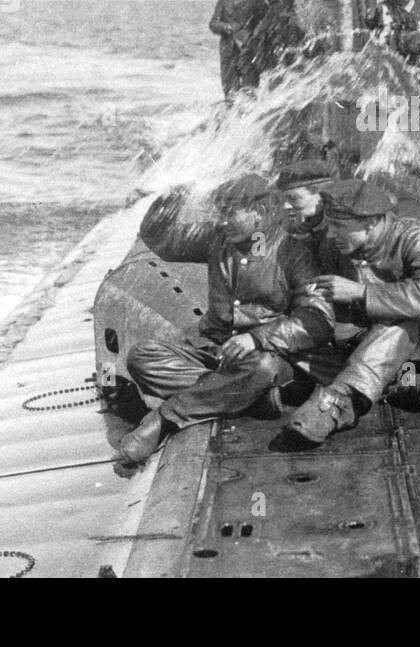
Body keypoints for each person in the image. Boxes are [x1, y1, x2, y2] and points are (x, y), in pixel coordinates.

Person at [117, 174, 335, 463]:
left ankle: (167, 419)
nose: (221, 221)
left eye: (229, 213)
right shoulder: (217, 239)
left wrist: (257, 337)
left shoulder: (293, 251)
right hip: (216, 353)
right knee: (141, 357)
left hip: (270, 357)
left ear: (258, 213)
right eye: (219, 213)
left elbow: (317, 320)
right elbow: (162, 241)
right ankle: (250, 398)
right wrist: (171, 193)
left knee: (262, 367)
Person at [283, 180, 420, 446]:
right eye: (331, 224)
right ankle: (402, 383)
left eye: (339, 226)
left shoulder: (413, 237)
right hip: (376, 350)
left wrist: (361, 293)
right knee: (296, 337)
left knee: (398, 323)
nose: (331, 233)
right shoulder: (335, 244)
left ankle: (336, 403)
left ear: (370, 222)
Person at [208, 0, 266, 98]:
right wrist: (224, 27)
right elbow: (213, 23)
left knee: (250, 92)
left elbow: (265, 24)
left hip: (248, 52)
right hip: (228, 53)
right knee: (230, 94)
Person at [276, 157, 339, 253]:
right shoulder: (293, 232)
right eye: (284, 199)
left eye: (294, 198)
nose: (286, 206)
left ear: (321, 193)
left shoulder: (344, 235)